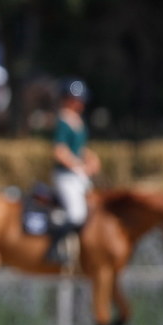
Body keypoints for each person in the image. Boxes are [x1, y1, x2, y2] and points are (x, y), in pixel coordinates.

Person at [45, 77, 100, 262]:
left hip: (79, 175)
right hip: (66, 176)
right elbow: (60, 151)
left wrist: (92, 160)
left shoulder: (78, 121)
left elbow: (79, 149)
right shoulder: (63, 120)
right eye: (76, 99)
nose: (80, 103)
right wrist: (79, 166)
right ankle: (54, 249)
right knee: (76, 213)